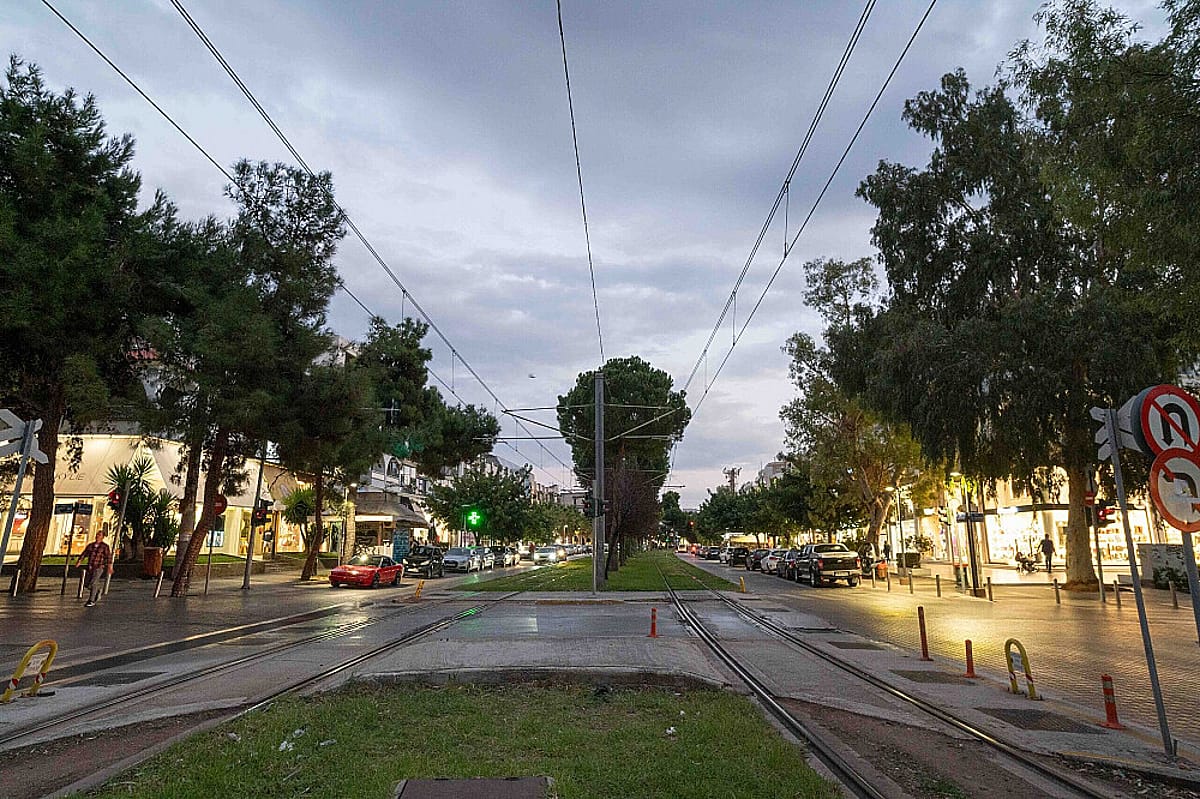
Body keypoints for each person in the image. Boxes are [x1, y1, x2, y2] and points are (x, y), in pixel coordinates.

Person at [74, 528, 113, 607]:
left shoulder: (105, 546)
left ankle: (91, 600)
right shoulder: (91, 545)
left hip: (99, 567)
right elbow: (84, 554)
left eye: (99, 535)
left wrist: (110, 567)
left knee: (93, 583)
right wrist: (79, 561)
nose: (97, 536)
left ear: (102, 537)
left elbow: (108, 557)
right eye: (97, 535)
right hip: (90, 566)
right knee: (87, 584)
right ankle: (97, 591)